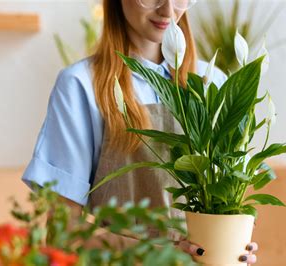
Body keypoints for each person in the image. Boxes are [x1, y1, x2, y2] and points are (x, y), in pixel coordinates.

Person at [22, 0, 258, 263]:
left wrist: (233, 244)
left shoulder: (213, 82)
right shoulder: (81, 85)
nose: (168, 11)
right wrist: (160, 255)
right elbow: (63, 233)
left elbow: (224, 203)